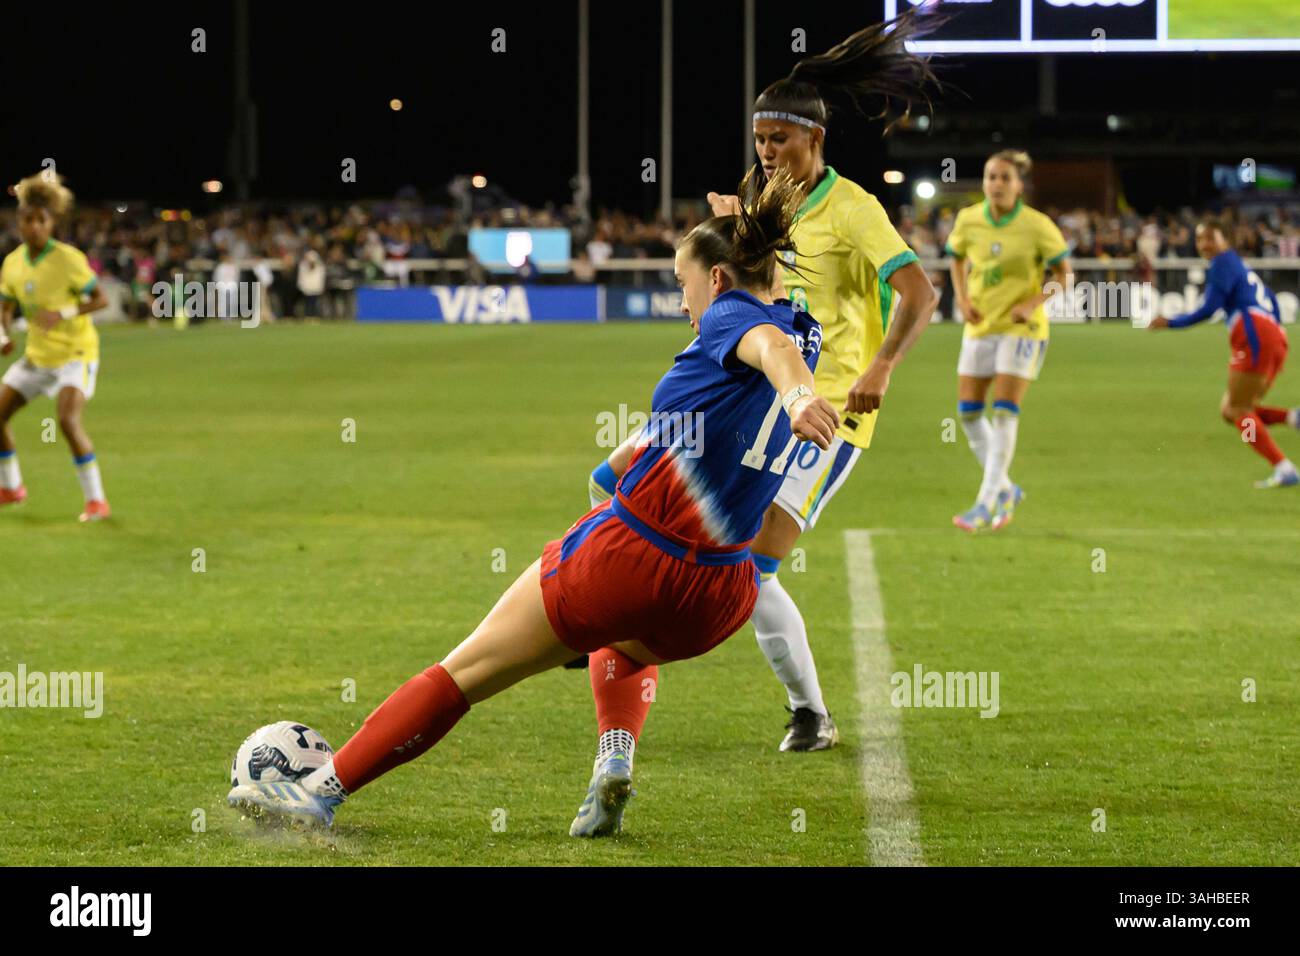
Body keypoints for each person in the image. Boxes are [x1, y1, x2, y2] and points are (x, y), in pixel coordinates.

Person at [228, 168, 841, 836]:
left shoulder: (741, 321)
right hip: (723, 590)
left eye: (680, 283)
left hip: (636, 556)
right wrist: (742, 227)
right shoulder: (800, 318)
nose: (682, 301)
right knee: (625, 635)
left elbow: (767, 346)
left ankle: (320, 790)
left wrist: (799, 395)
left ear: (718, 281)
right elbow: (774, 324)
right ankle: (614, 758)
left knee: (467, 669)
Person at [586, 12, 939, 751]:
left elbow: (920, 293)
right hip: (744, 398)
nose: (768, 150)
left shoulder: (855, 210)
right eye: (760, 138)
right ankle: (597, 609)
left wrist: (879, 368)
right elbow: (753, 289)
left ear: (816, 138)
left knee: (751, 565)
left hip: (825, 411)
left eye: (780, 138)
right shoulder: (765, 197)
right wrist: (734, 221)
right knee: (611, 477)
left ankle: (809, 712)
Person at [947, 149, 1072, 532]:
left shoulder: (1038, 226)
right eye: (990, 177)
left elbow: (1063, 274)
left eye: (1004, 178)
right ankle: (1005, 487)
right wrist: (963, 299)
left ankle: (986, 502)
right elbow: (956, 258)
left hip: (1022, 330)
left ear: (1019, 185)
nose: (996, 184)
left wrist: (1034, 303)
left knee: (1003, 409)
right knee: (968, 412)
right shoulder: (969, 220)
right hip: (981, 326)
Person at [1148, 218, 1299, 488]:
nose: (1204, 245)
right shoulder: (1237, 264)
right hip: (1270, 337)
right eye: (1199, 239)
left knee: (1237, 409)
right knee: (1233, 410)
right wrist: (1277, 337)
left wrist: (1170, 322)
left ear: (1225, 239)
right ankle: (1292, 418)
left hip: (1255, 338)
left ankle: (1283, 467)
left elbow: (1209, 309)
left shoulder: (1221, 264)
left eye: (1210, 238)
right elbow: (1271, 299)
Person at [0, 173, 112, 521]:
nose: (33, 226)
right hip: (37, 358)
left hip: (75, 354)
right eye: (27, 219)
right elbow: (5, 306)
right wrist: (4, 336)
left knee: (66, 419)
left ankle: (96, 501)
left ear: (51, 223)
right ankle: (12, 487)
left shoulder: (68, 259)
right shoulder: (13, 263)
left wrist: (62, 312)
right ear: (19, 221)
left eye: (40, 220)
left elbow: (101, 299)